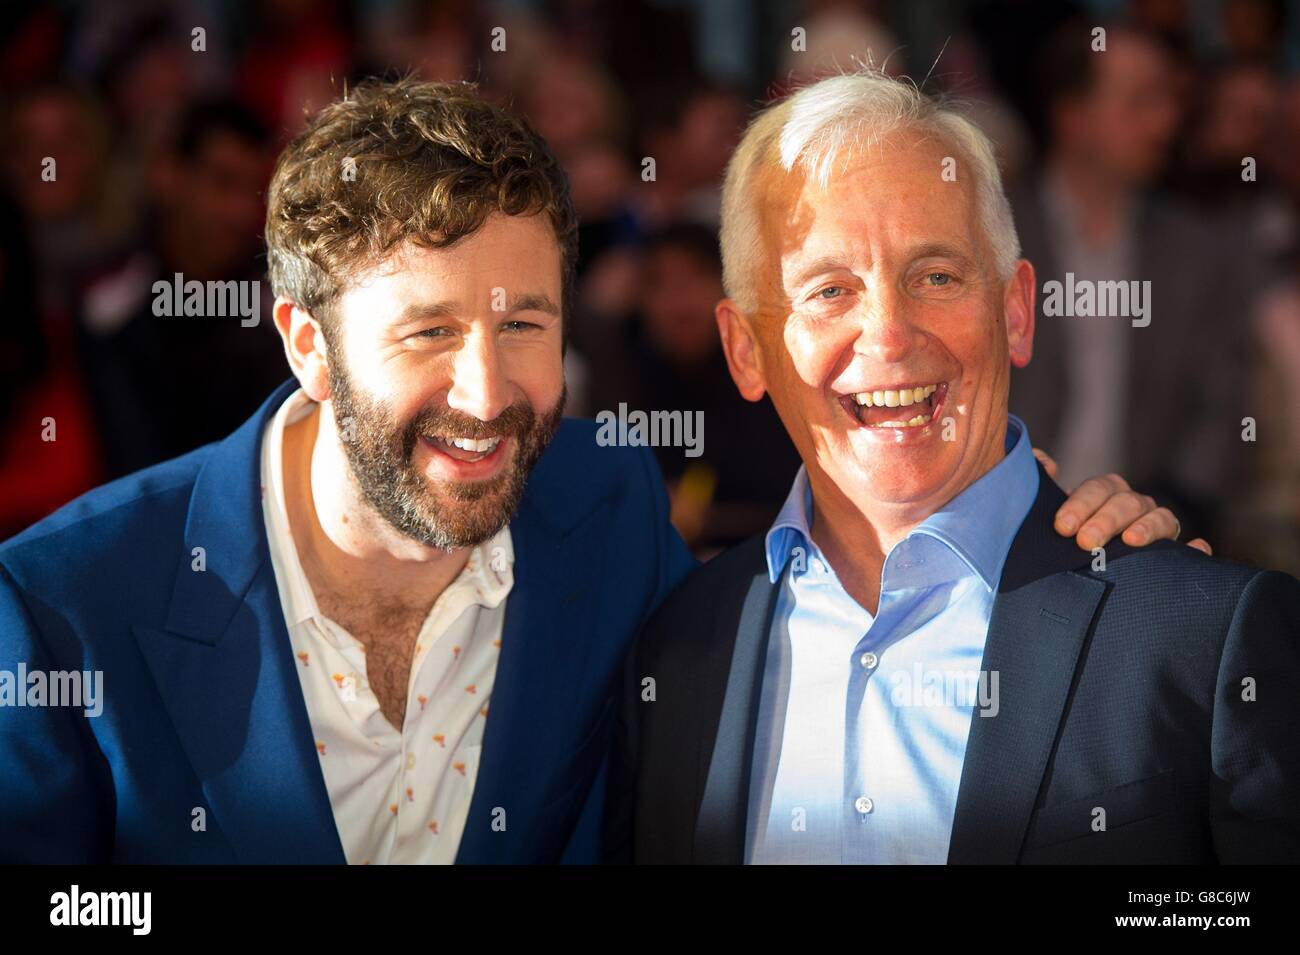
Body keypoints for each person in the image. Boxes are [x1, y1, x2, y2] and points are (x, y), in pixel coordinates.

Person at [0, 77, 1183, 865]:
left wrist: (1044, 533)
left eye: (524, 322)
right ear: (307, 340)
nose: (487, 391)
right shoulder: (66, 608)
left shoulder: (607, 516)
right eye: (426, 331)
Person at [607, 69, 1300, 865]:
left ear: (1014, 311)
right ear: (746, 348)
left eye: (935, 276)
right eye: (830, 290)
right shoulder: (675, 654)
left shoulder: (1205, 636)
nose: (890, 335)